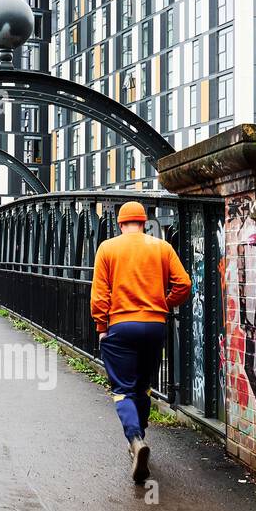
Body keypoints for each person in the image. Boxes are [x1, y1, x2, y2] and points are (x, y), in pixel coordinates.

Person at [90, 201, 191, 485]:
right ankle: (142, 436)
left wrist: (101, 326)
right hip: (155, 325)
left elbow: (99, 294)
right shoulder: (162, 247)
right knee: (144, 385)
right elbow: (183, 284)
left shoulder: (108, 248)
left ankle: (135, 439)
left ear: (121, 224)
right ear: (144, 222)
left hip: (121, 326)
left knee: (122, 389)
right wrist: (164, 304)